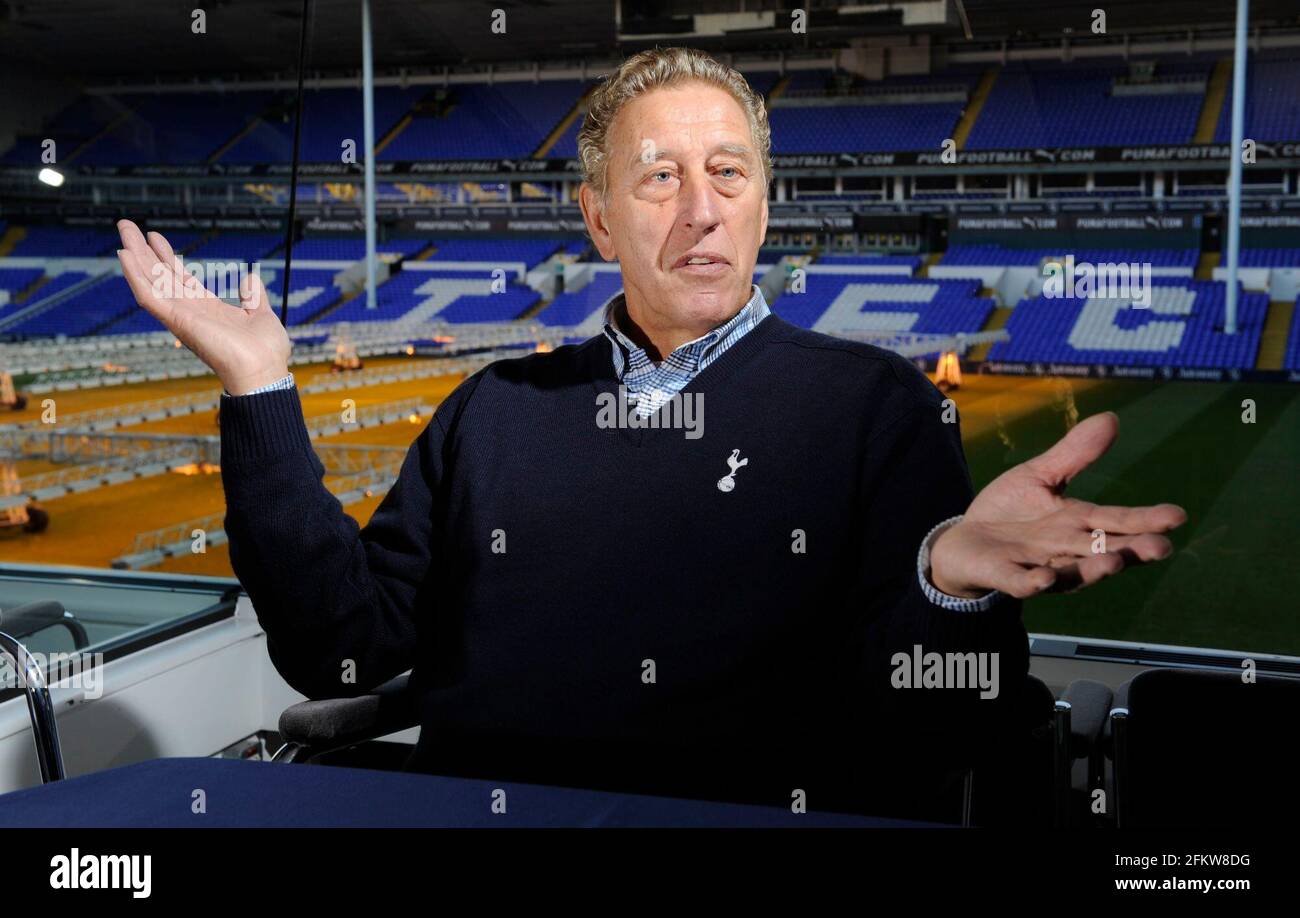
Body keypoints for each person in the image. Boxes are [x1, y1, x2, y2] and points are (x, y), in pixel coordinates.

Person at [114, 47, 1184, 820]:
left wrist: (945, 587)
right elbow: (335, 650)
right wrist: (259, 390)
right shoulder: (492, 412)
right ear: (597, 217)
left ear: (765, 207)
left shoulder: (878, 408)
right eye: (657, 176)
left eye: (729, 173)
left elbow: (951, 721)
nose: (700, 208)